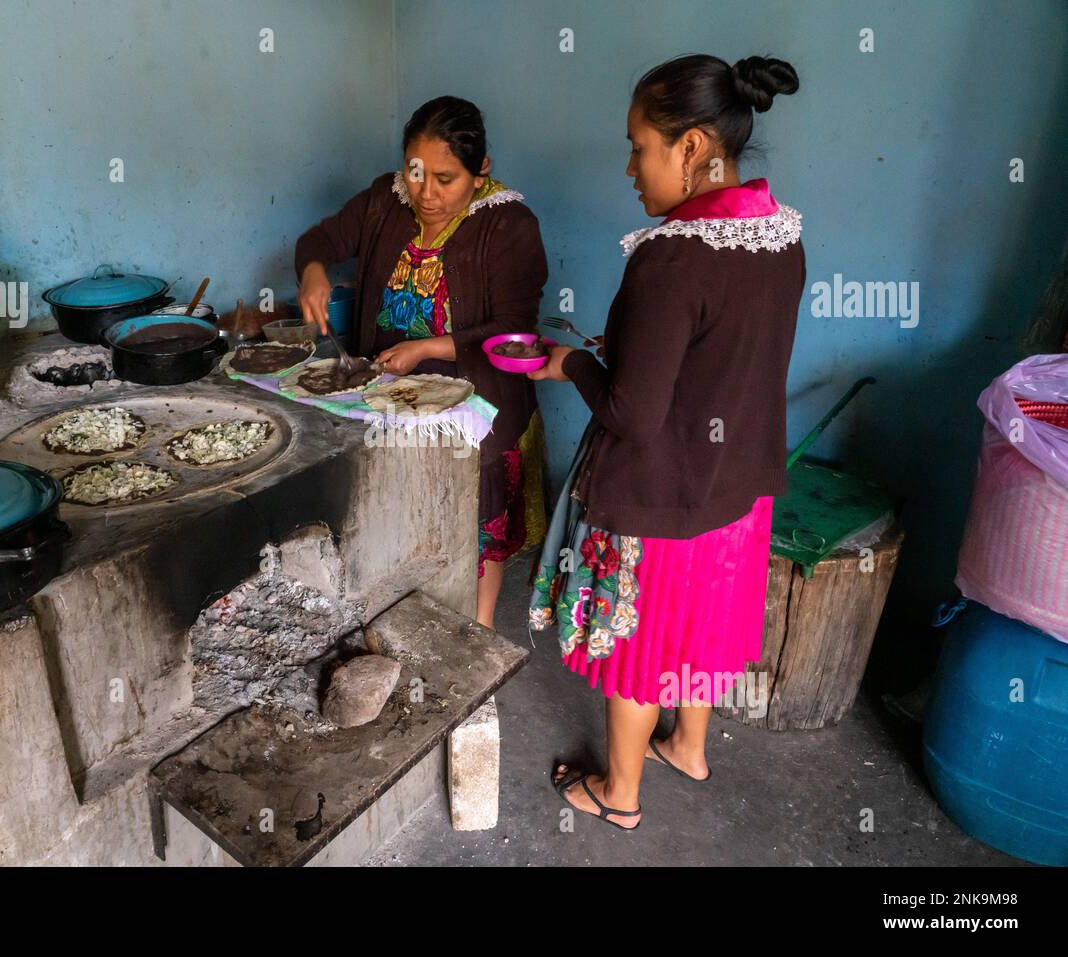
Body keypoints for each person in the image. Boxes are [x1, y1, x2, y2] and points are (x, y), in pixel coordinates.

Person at [530, 55, 805, 828]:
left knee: (639, 649)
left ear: (690, 148)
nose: (628, 167)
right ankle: (688, 744)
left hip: (661, 499)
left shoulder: (671, 257)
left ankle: (619, 795)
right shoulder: (780, 237)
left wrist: (573, 363)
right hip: (738, 488)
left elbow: (633, 412)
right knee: (700, 626)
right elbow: (723, 364)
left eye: (638, 146)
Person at [295, 96, 549, 628]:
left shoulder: (508, 225)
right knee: (402, 525)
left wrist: (427, 348)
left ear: (481, 171)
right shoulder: (383, 201)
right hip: (388, 405)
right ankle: (409, 633)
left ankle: (475, 643)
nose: (425, 193)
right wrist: (314, 270)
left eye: (444, 178)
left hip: (476, 413)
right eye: (414, 172)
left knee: (474, 536)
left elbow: (515, 330)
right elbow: (319, 238)